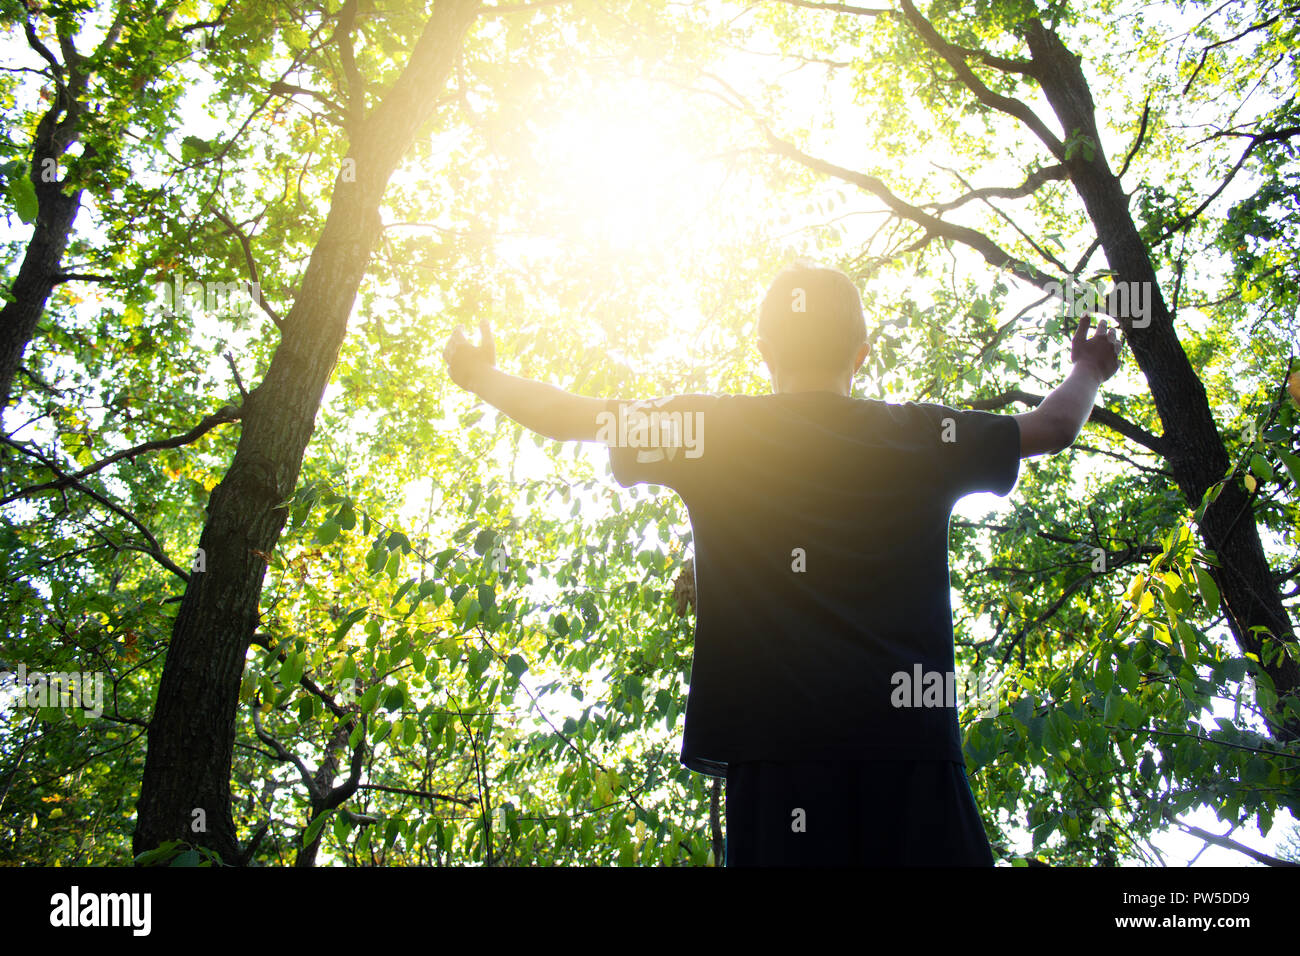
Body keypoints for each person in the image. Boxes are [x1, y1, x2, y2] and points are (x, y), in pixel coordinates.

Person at [442, 260, 1122, 866]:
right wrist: (1089, 365)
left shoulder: (709, 431)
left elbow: (570, 416)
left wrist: (480, 374)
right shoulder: (924, 435)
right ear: (860, 354)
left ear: (765, 351)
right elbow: (1054, 427)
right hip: (909, 750)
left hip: (777, 758)